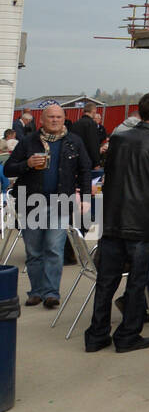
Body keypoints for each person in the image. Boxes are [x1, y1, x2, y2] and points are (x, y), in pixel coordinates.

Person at [84, 93, 149, 352]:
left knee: (107, 280)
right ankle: (127, 334)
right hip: (142, 221)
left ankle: (97, 334)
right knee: (136, 279)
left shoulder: (119, 139)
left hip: (114, 218)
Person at [6, 104, 93, 309]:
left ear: (64, 119)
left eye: (59, 117)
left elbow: (85, 170)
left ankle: (51, 292)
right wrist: (27, 163)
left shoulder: (74, 141)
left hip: (61, 202)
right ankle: (36, 291)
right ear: (42, 120)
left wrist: (86, 197)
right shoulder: (28, 142)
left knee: (54, 249)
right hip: (31, 202)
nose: (55, 120)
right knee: (34, 251)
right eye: (51, 117)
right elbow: (9, 168)